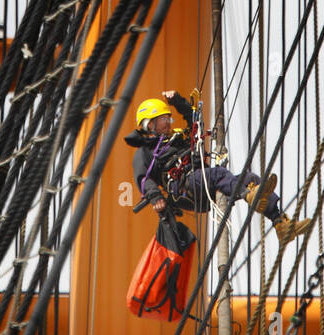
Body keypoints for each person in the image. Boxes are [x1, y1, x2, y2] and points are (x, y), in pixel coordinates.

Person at [125, 91, 312, 245]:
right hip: (185, 186)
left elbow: (194, 121)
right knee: (219, 174)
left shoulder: (176, 138)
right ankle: (249, 195)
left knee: (250, 178)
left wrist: (177, 101)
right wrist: (156, 197)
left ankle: (281, 224)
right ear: (149, 124)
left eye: (168, 118)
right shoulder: (145, 151)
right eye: (163, 118)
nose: (169, 122)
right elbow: (143, 179)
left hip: (201, 182)